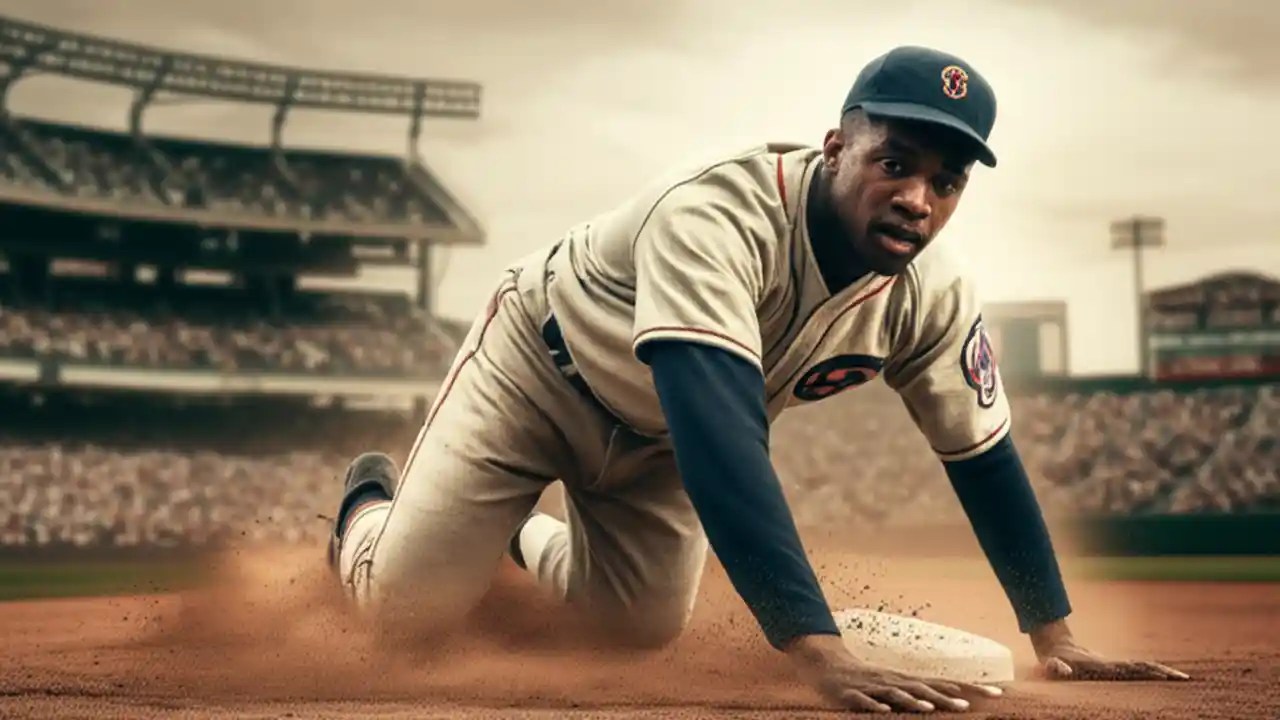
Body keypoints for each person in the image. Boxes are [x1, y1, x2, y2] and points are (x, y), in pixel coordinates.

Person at [326, 46, 1189, 713]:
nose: (919, 198)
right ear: (836, 149)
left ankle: (521, 538)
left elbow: (985, 459)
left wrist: (1056, 634)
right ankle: (369, 508)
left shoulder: (934, 292)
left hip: (662, 440)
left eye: (946, 181)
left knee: (632, 634)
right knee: (402, 623)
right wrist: (818, 650)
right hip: (534, 379)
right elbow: (724, 440)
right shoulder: (718, 217)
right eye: (896, 162)